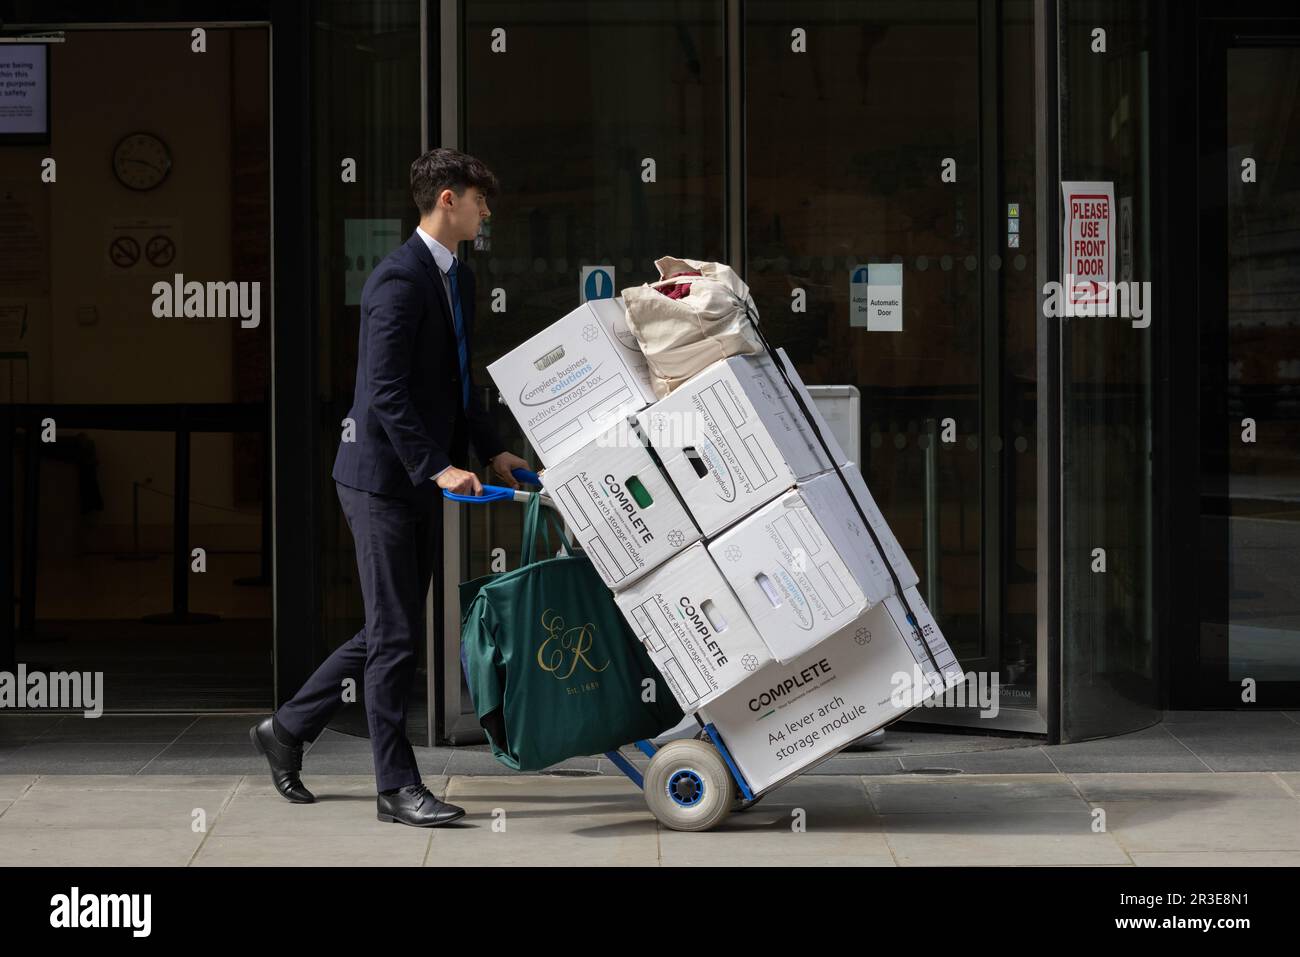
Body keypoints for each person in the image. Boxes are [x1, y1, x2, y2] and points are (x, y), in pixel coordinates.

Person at [250, 148, 529, 827]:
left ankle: (286, 729)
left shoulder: (458, 278)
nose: (486, 213)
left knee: (389, 627)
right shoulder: (397, 280)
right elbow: (386, 391)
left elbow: (457, 382)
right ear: (447, 200)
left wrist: (491, 449)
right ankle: (396, 788)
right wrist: (437, 466)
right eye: (479, 201)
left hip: (415, 478)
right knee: (397, 635)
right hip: (379, 481)